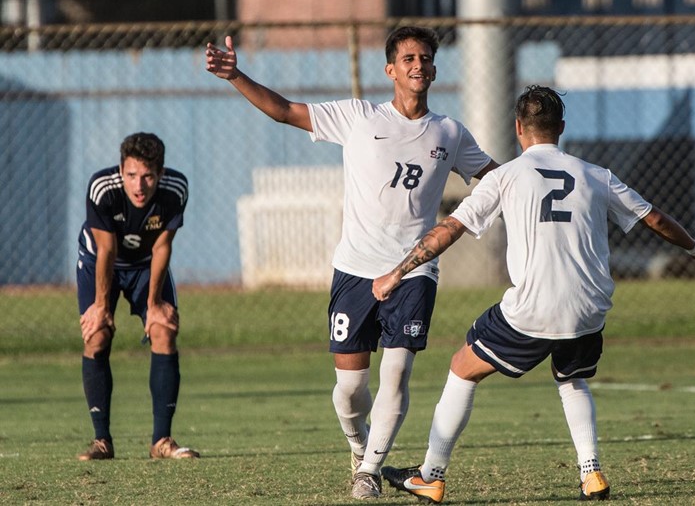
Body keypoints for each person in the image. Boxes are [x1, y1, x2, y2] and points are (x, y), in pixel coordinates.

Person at [372, 85, 695, 504]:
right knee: (572, 380)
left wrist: (396, 272)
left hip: (533, 310)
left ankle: (431, 474)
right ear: (562, 128)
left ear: (519, 128)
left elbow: (449, 229)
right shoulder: (596, 175)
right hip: (590, 306)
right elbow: (656, 219)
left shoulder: (505, 176)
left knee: (462, 368)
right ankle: (591, 473)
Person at [205, 26, 498, 499]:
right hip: (355, 270)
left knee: (397, 373)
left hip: (413, 271)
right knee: (350, 390)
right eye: (408, 59)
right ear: (390, 70)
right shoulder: (358, 117)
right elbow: (284, 111)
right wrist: (235, 75)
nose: (418, 65)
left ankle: (369, 473)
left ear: (435, 68)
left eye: (425, 57)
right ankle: (362, 451)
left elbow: (495, 179)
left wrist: (490, 204)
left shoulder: (450, 132)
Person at [76, 132, 198, 461]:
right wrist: (101, 307)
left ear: (160, 173)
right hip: (101, 262)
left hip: (146, 265)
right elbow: (106, 249)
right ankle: (102, 441)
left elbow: (161, 246)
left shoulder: (176, 188)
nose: (138, 186)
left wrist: (155, 303)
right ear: (121, 170)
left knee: (164, 330)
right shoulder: (102, 188)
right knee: (97, 335)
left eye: (147, 176)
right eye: (131, 175)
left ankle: (161, 441)